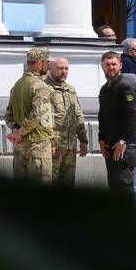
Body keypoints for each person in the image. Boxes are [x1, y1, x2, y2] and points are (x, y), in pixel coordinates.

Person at [98, 51, 136, 199]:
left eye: (114, 64)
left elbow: (131, 117)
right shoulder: (105, 89)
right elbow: (102, 116)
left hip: (126, 145)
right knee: (114, 186)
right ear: (102, 67)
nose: (111, 67)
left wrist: (122, 140)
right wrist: (101, 138)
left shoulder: (126, 86)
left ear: (120, 65)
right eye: (107, 65)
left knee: (124, 185)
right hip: (111, 145)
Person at [4, 47, 54, 183]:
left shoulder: (17, 85)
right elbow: (37, 115)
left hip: (20, 147)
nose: (49, 67)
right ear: (39, 63)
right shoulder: (40, 86)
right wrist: (20, 132)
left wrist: (15, 130)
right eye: (47, 63)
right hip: (37, 146)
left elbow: (8, 114)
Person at [45, 56, 88, 185]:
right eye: (60, 68)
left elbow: (78, 114)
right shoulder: (45, 89)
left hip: (70, 145)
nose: (64, 71)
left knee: (68, 184)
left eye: (66, 68)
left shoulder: (71, 90)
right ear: (50, 68)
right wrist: (50, 142)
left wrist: (83, 140)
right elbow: (44, 119)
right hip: (54, 146)